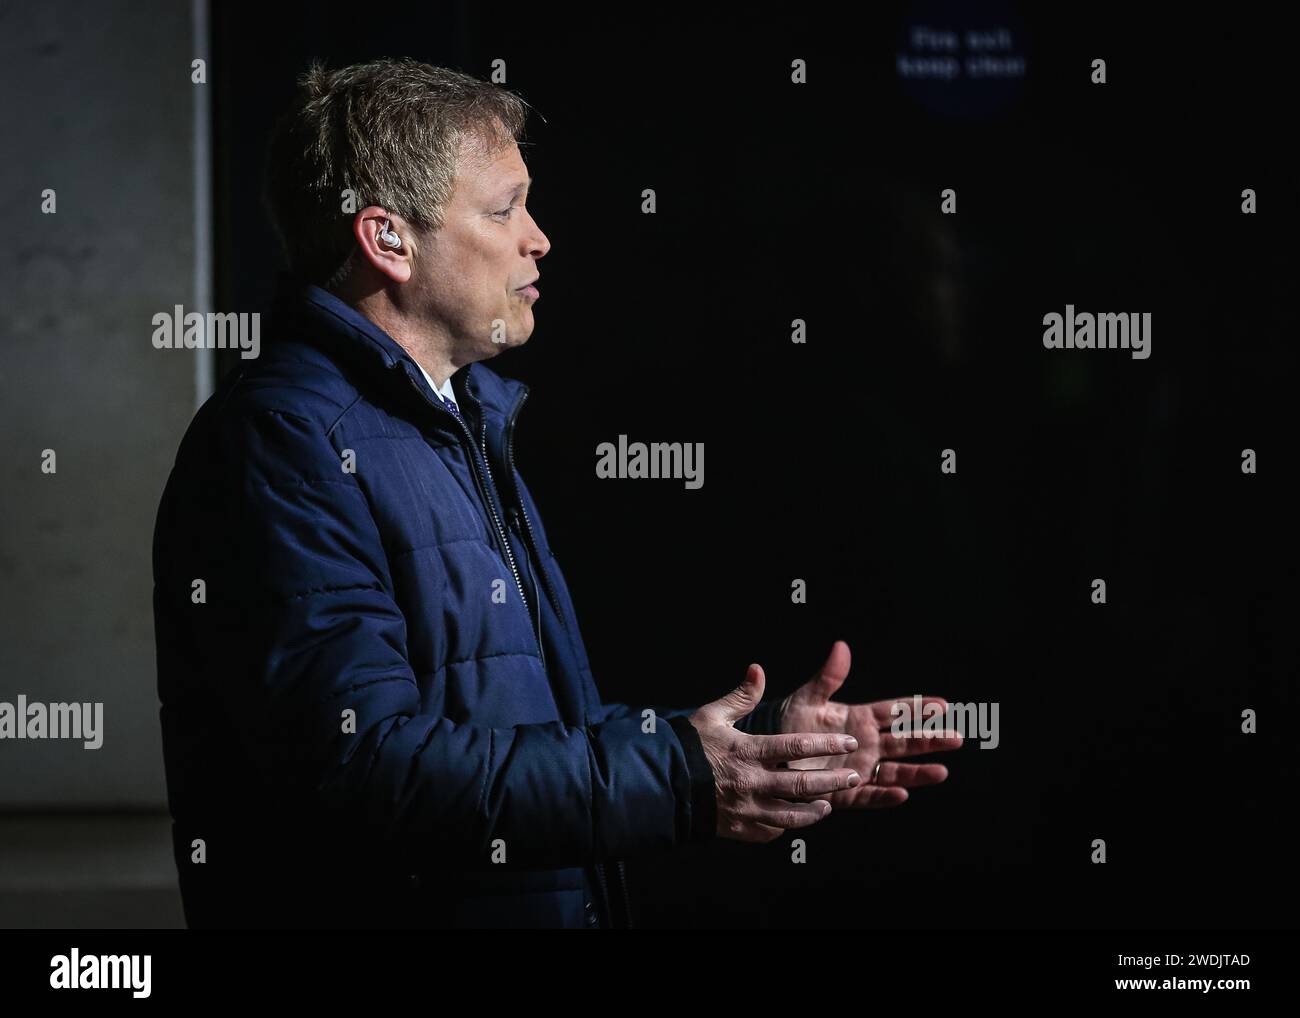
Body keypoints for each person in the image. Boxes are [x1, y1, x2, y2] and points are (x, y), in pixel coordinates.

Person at [152, 57, 961, 929]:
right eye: (503, 210)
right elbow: (365, 767)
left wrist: (762, 748)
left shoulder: (452, 421)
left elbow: (522, 726)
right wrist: (685, 777)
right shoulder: (285, 442)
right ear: (388, 241)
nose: (540, 238)